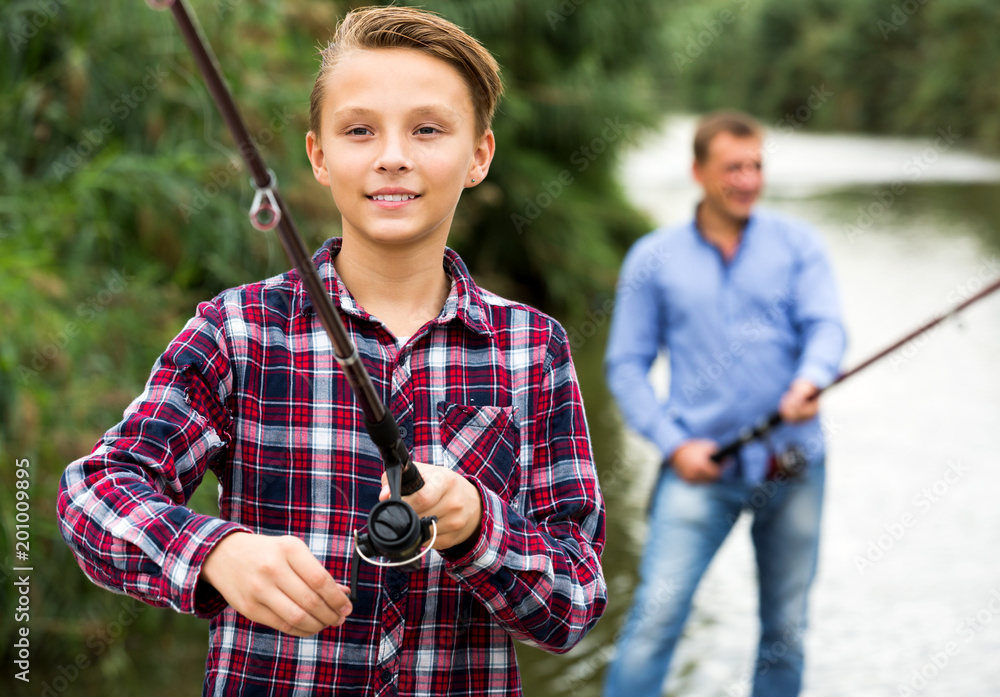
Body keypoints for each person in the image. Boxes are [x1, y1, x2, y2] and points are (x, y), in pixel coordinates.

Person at [57, 7, 606, 695]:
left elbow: (576, 600)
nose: (393, 156)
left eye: (428, 129)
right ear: (318, 155)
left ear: (479, 156)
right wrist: (216, 551)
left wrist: (474, 523)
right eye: (360, 130)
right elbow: (94, 490)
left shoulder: (533, 348)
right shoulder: (239, 330)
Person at [601, 110, 845, 697]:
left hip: (793, 467)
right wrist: (673, 444)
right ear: (698, 172)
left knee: (786, 628)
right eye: (732, 167)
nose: (747, 179)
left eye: (756, 165)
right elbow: (626, 367)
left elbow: (827, 328)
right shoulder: (652, 259)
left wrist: (811, 378)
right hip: (698, 472)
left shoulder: (798, 246)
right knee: (656, 620)